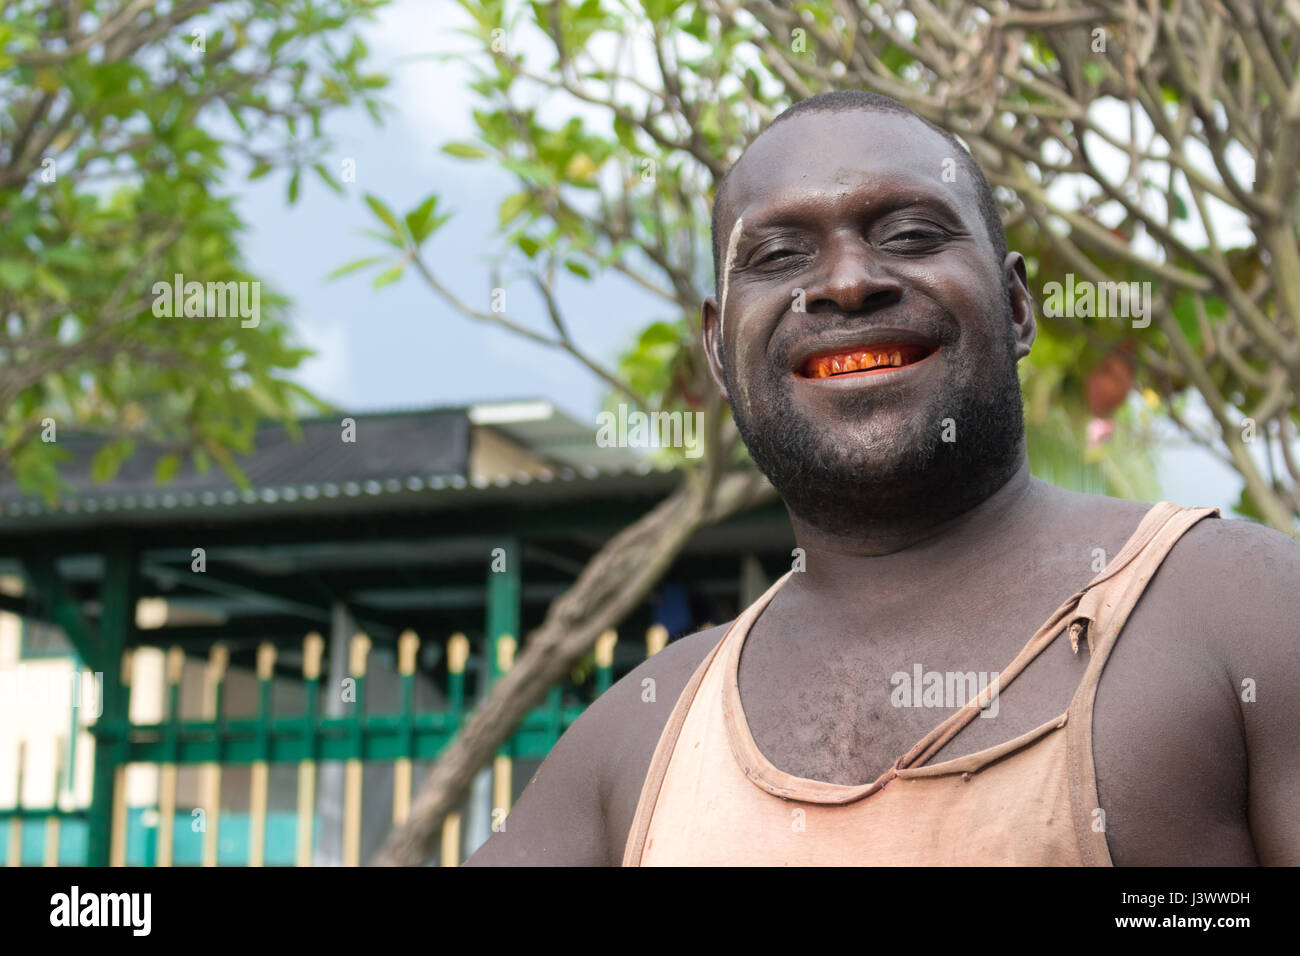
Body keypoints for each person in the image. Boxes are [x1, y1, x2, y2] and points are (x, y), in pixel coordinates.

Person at [466, 91, 1300, 866]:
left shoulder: (1245, 611)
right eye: (780, 254)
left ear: (1015, 308)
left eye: (909, 235)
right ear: (719, 354)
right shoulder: (638, 743)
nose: (847, 283)